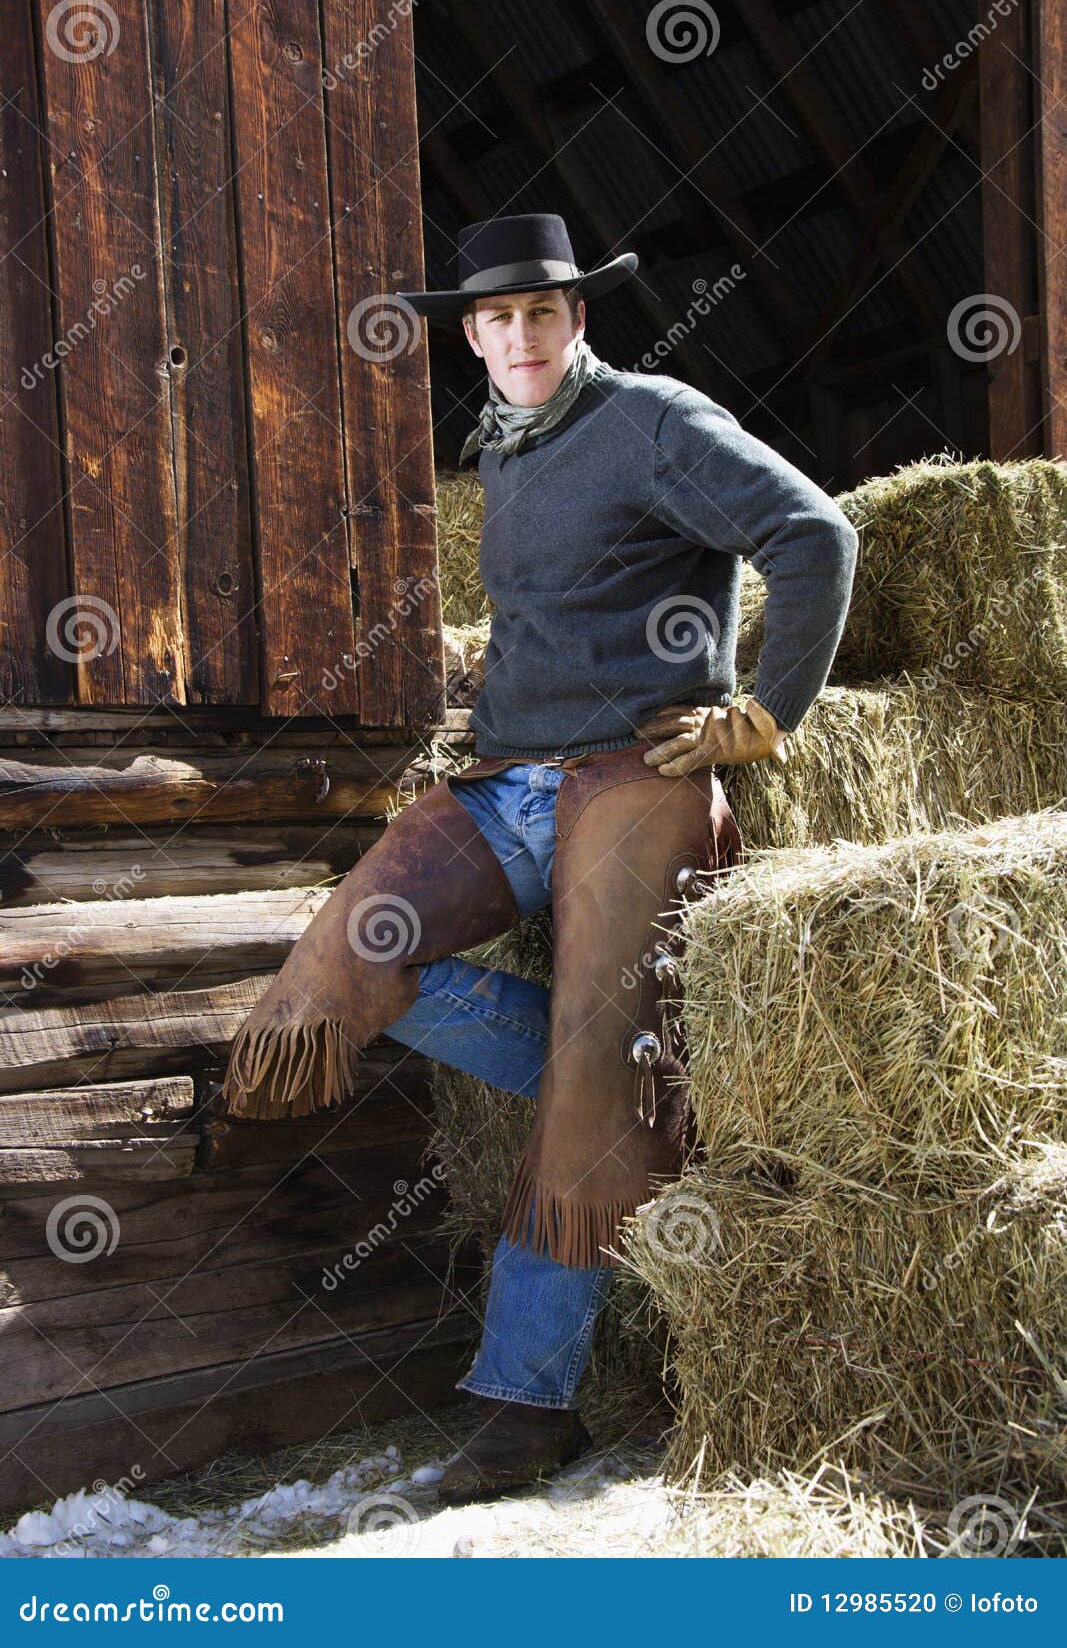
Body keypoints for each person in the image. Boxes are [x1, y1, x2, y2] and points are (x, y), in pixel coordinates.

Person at [222, 213, 858, 1504]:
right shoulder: (501, 452)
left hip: (637, 778)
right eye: (498, 319)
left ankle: (523, 1413)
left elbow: (815, 539)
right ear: (472, 334)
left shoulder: (653, 418)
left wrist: (767, 709)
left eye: (544, 313)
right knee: (346, 966)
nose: (521, 335)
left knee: (582, 1105)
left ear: (581, 319)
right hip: (505, 780)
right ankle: (647, 1083)